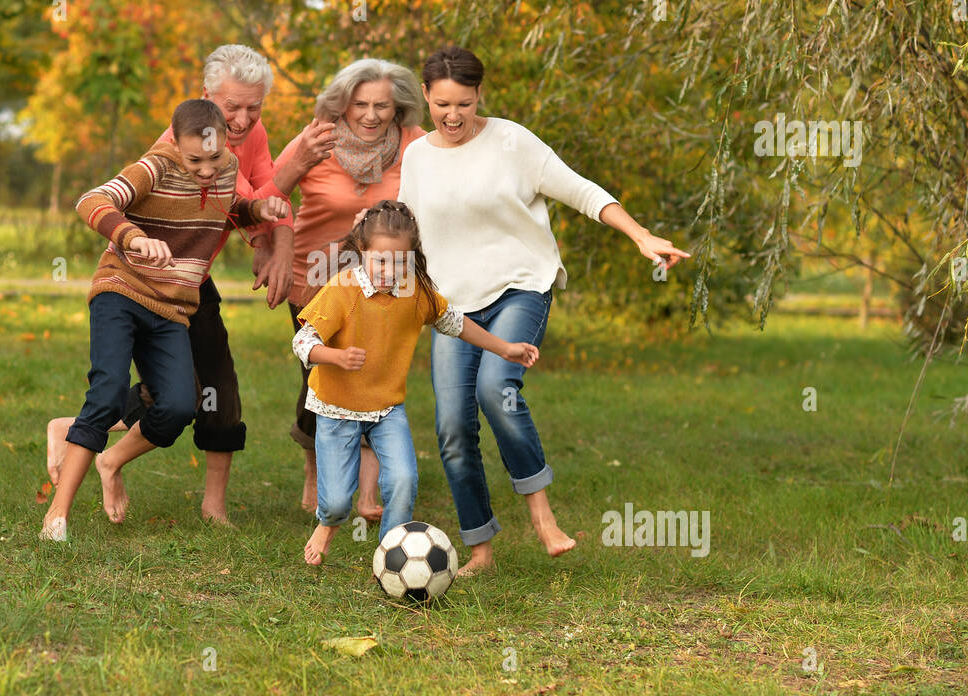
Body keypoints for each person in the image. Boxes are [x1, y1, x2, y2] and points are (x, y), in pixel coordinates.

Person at [397, 46, 691, 576]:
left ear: (479, 95)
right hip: (451, 307)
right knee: (452, 427)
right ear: (425, 96)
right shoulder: (417, 157)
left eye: (464, 103)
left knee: (496, 389)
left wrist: (640, 234)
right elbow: (408, 232)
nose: (454, 115)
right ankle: (481, 549)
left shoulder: (511, 140)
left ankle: (543, 519)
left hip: (519, 285)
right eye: (442, 104)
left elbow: (578, 190)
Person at [46, 45, 298, 525]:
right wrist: (132, 235)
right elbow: (99, 199)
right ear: (207, 97)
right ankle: (68, 489)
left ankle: (180, 491)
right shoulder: (175, 152)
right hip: (133, 282)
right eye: (233, 108)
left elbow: (251, 194)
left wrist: (264, 221)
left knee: (203, 395)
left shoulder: (237, 145)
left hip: (186, 288)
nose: (244, 120)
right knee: (135, 390)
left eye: (254, 108)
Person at [293, 200, 539, 565]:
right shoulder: (343, 289)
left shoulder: (414, 292)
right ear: (363, 252)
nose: (389, 271)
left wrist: (504, 348)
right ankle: (328, 524)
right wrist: (334, 357)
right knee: (336, 501)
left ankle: (390, 553)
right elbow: (303, 341)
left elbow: (454, 321)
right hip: (335, 406)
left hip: (387, 408)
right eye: (380, 261)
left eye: (399, 261)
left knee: (404, 480)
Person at [271, 58, 425, 522]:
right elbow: (270, 194)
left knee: (376, 372)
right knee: (322, 379)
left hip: (388, 281)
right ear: (342, 103)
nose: (372, 114)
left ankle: (367, 492)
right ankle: (317, 470)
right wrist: (270, 252)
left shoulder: (417, 146)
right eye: (361, 104)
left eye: (383, 105)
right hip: (317, 277)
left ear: (398, 106)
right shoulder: (316, 138)